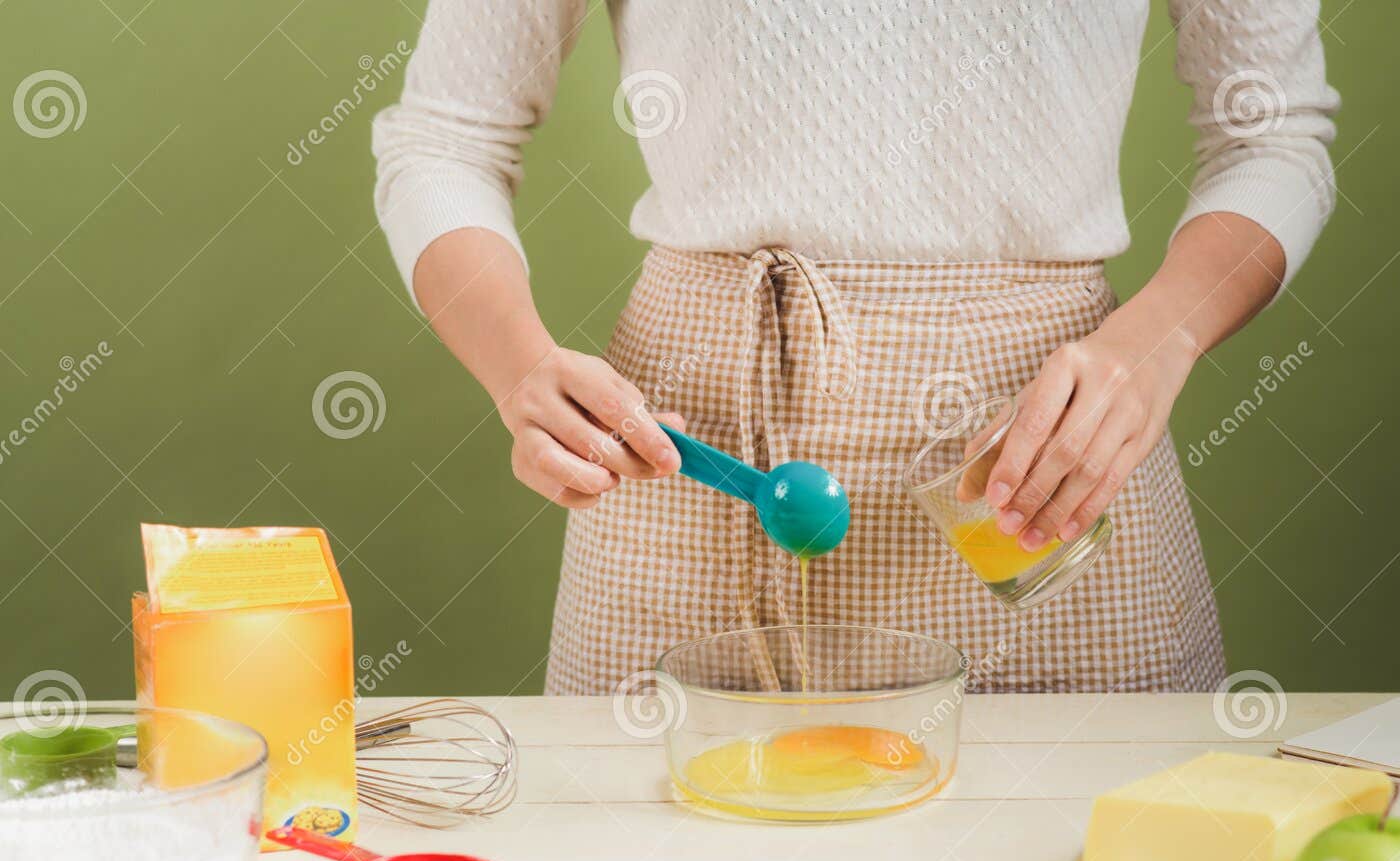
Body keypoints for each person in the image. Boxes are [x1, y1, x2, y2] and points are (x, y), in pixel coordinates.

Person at [373, 0, 1338, 694]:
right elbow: (445, 139)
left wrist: (1155, 343)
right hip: (692, 464)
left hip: (1035, 457)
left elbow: (1274, 136)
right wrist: (519, 367)